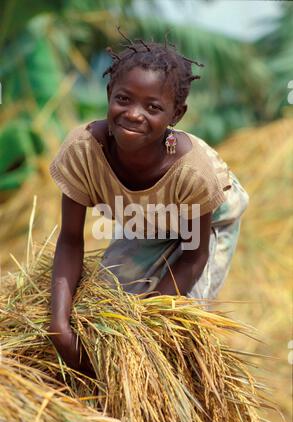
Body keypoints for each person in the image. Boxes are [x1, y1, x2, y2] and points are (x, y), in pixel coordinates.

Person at [48, 34, 249, 376]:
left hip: (206, 224)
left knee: (178, 326)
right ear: (110, 95)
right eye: (124, 99)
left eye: (153, 107)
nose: (134, 115)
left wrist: (140, 324)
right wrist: (59, 325)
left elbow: (194, 255)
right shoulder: (82, 152)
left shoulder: (193, 171)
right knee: (106, 299)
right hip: (145, 218)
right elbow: (70, 239)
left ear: (177, 114)